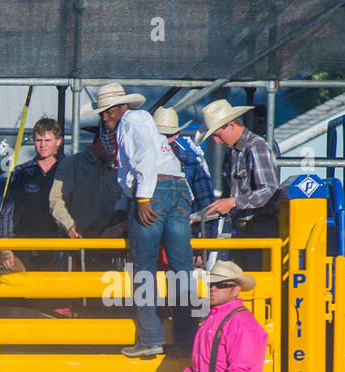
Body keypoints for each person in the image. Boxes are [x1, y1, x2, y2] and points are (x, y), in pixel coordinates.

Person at [92, 82, 195, 358]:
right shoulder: (142, 120)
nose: (104, 117)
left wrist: (142, 199)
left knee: (144, 267)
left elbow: (145, 158)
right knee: (182, 266)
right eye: (102, 112)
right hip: (177, 187)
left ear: (122, 107)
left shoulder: (131, 122)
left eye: (108, 111)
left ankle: (151, 336)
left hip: (154, 190)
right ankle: (188, 337)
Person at [197, 99, 280, 269]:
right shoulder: (232, 154)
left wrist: (233, 202)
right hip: (243, 230)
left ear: (231, 124)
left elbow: (269, 189)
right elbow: (227, 199)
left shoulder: (256, 146)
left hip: (261, 228)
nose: (216, 141)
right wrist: (199, 217)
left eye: (217, 135)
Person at [48, 129, 126, 270]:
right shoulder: (72, 164)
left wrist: (117, 228)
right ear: (102, 141)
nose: (117, 151)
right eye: (113, 145)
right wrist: (71, 226)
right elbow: (56, 199)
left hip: (107, 249)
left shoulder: (118, 169)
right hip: (74, 248)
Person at [0, 117, 64, 271]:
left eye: (48, 140)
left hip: (60, 246)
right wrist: (5, 247)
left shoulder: (67, 171)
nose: (43, 145)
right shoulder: (21, 173)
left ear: (58, 141)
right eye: (38, 140)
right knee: (22, 292)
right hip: (24, 245)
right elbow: (7, 212)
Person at [153, 106, 214, 216]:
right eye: (160, 135)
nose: (163, 140)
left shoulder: (194, 162)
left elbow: (206, 205)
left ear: (177, 135)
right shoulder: (143, 159)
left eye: (167, 135)